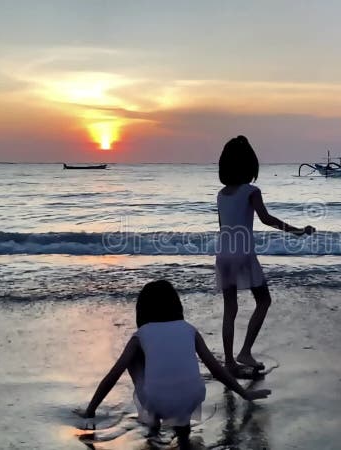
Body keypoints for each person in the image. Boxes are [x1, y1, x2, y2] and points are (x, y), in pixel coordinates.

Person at [75, 280, 270, 449]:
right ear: (177, 305)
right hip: (192, 399)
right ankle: (183, 431)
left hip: (157, 401)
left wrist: (91, 410)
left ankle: (153, 422)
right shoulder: (189, 329)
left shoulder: (140, 335)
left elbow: (113, 375)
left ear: (142, 310)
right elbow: (216, 369)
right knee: (181, 382)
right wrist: (244, 393)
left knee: (133, 359)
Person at [216, 136, 315, 377]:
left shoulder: (221, 194)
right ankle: (245, 352)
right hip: (243, 255)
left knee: (230, 309)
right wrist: (297, 231)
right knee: (263, 300)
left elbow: (223, 226)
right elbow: (266, 219)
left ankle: (229, 362)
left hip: (223, 255)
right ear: (249, 165)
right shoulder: (251, 191)